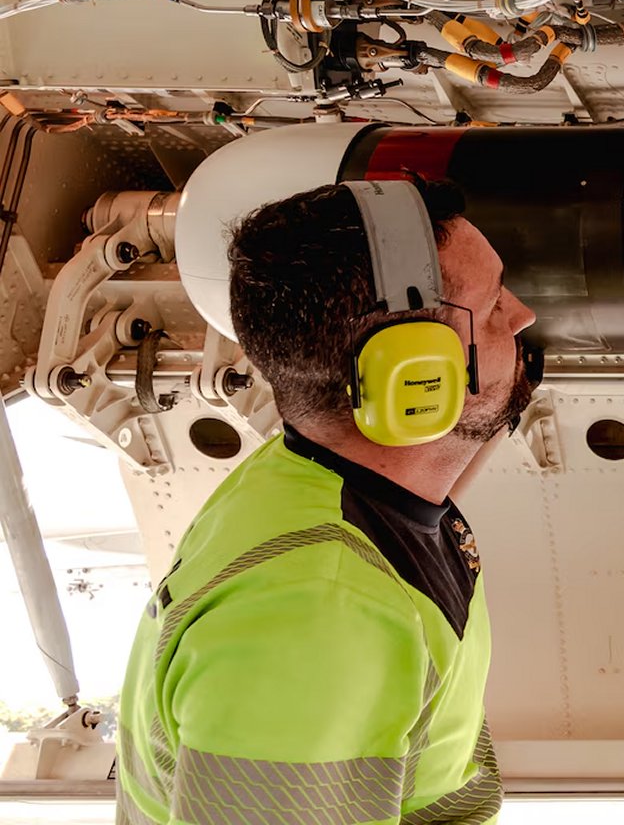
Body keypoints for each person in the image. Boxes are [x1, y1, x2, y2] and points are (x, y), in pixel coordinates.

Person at [115, 177, 538, 825]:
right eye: (490, 308)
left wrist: (505, 384)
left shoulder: (314, 480)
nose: (523, 315)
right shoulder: (321, 615)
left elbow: (428, 477)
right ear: (413, 379)